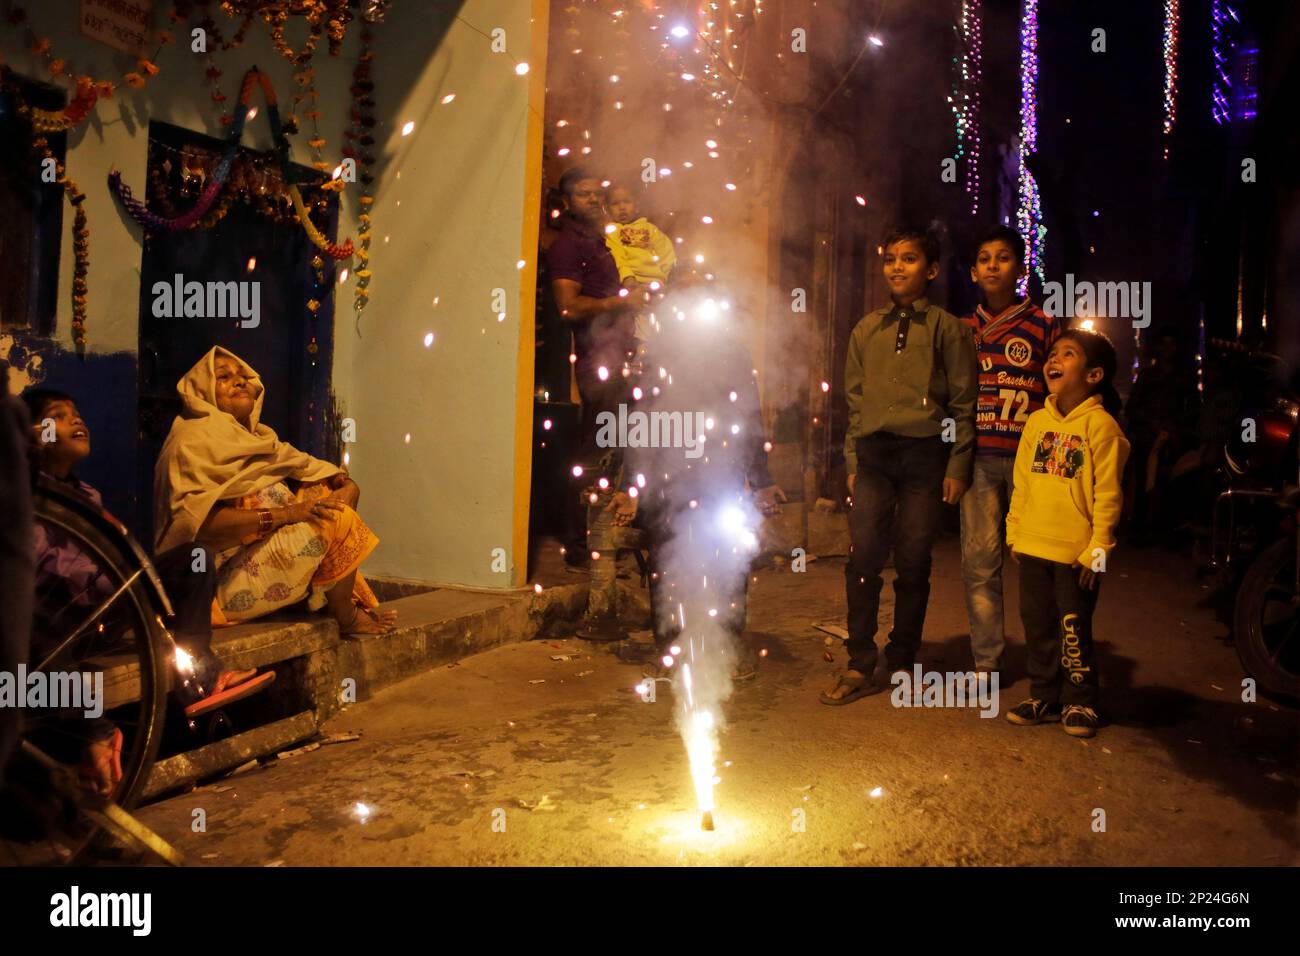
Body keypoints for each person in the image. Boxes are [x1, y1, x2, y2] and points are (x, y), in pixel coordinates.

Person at [823, 226, 977, 705]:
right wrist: (852, 458)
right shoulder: (867, 329)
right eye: (890, 258)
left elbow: (962, 403)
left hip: (924, 456)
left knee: (913, 560)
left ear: (929, 270)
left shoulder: (948, 329)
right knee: (863, 556)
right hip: (873, 455)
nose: (896, 267)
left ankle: (904, 658)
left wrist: (956, 465)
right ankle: (859, 660)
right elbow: (855, 400)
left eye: (908, 259)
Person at [154, 348, 395, 638]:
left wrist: (347, 483)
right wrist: (287, 514)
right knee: (339, 518)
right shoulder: (190, 443)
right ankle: (345, 615)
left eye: (243, 375)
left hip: (254, 560)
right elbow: (200, 527)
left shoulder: (258, 438)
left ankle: (315, 600)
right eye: (224, 377)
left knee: (327, 488)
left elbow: (311, 466)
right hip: (213, 587)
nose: (240, 381)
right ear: (202, 391)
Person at [1005, 328, 1129, 738]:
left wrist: (1099, 548)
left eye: (1068, 354)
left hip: (1076, 553)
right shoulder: (1037, 422)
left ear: (1094, 375)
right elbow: (1022, 481)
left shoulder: (1102, 426)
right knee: (1037, 625)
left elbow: (1109, 493)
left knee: (1073, 628)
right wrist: (1014, 531)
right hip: (1034, 545)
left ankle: (1081, 700)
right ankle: (1044, 693)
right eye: (1053, 353)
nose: (1054, 359)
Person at [959, 225, 1059, 676]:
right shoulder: (962, 330)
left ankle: (1048, 668)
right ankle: (987, 664)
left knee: (1037, 563)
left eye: (1003, 257)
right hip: (977, 461)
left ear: (1020, 268)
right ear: (974, 272)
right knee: (980, 563)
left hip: (1029, 463)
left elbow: (1060, 391)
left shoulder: (1043, 325)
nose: (993, 265)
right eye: (984, 258)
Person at [604, 183, 676, 343]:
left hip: (657, 285)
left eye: (627, 202)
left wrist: (663, 280)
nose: (622, 207)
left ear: (636, 206)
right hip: (633, 285)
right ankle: (640, 355)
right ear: (607, 209)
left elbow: (667, 253)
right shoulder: (611, 231)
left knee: (662, 323)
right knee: (640, 328)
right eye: (615, 204)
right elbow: (618, 255)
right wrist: (628, 278)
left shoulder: (651, 229)